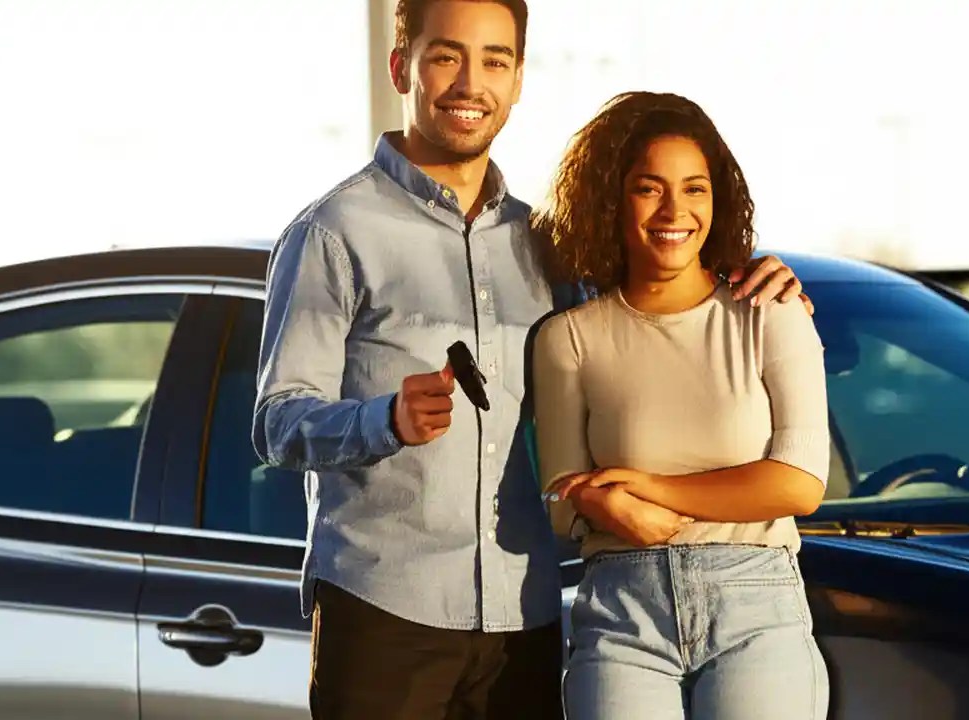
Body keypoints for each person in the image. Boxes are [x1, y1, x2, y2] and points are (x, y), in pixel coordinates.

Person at [252, 2, 810, 717]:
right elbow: (276, 421)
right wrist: (381, 418)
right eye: (446, 56)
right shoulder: (333, 233)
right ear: (402, 66)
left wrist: (751, 275)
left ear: (517, 81)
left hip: (526, 616)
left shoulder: (548, 246)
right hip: (384, 611)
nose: (470, 84)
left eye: (494, 61)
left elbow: (656, 318)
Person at [533, 90, 831, 720]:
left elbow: (800, 484)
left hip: (756, 608)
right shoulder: (570, 339)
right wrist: (594, 500)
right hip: (621, 615)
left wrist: (646, 489)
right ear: (611, 198)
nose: (676, 210)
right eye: (650, 188)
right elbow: (561, 500)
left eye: (695, 188)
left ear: (717, 200)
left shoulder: (771, 315)